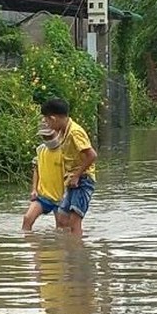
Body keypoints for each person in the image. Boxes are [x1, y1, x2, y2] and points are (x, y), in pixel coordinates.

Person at [40, 98, 97, 236]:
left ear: (53, 118)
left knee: (74, 221)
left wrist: (77, 175)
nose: (47, 124)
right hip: (72, 180)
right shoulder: (64, 131)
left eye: (47, 120)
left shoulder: (74, 132)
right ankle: (67, 250)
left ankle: (75, 253)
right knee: (62, 218)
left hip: (83, 180)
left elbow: (92, 155)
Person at [22, 118, 68, 231]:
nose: (48, 140)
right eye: (44, 137)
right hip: (43, 196)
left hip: (61, 198)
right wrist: (34, 189)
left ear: (58, 132)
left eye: (50, 136)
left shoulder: (65, 151)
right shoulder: (41, 150)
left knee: (62, 228)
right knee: (27, 219)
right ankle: (31, 246)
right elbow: (36, 169)